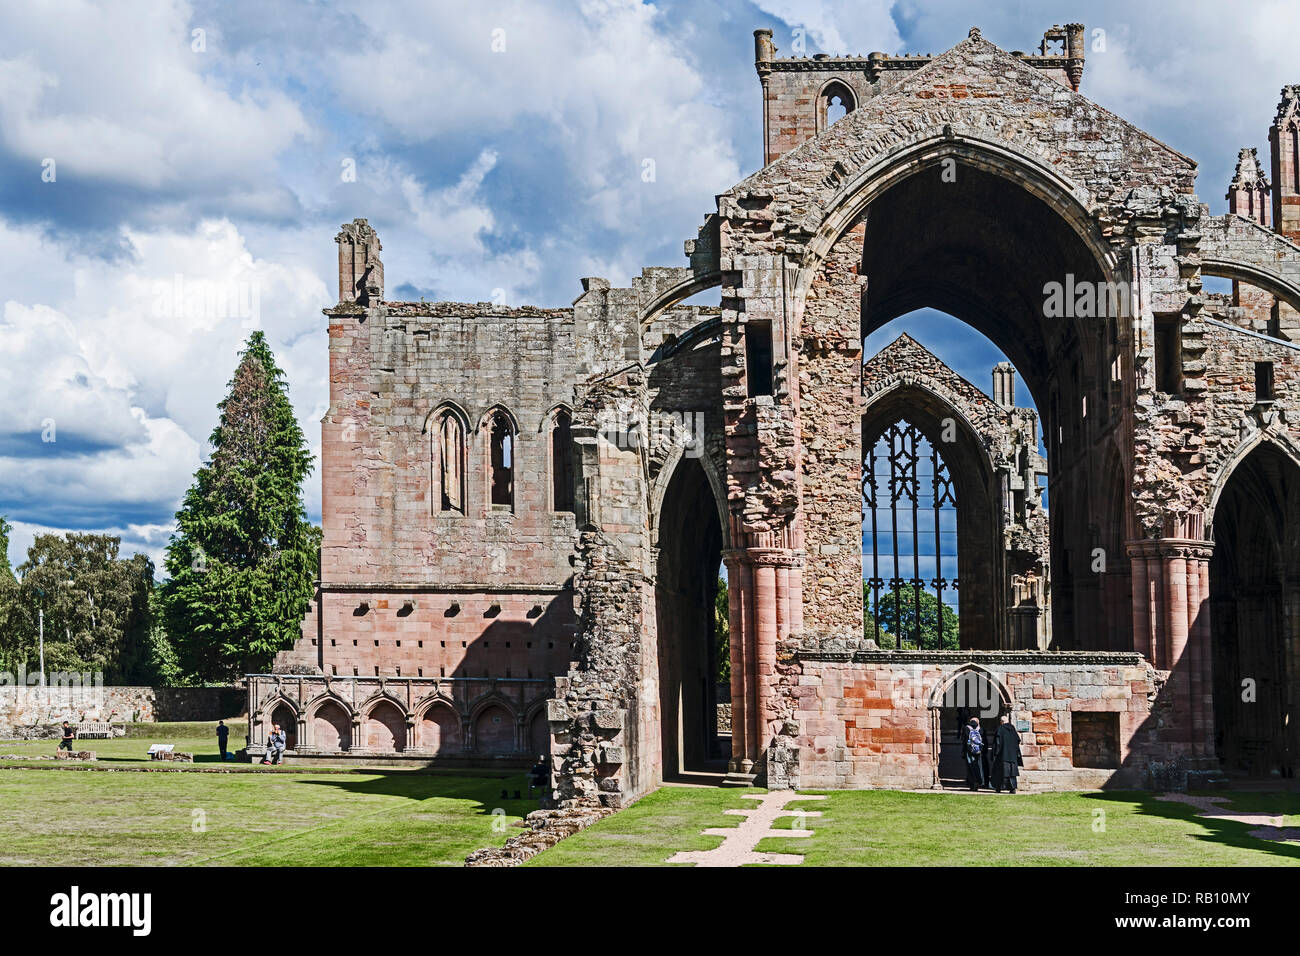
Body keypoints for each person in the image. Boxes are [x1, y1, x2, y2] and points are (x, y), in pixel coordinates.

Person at [991, 713, 1024, 793]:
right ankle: (1012, 789)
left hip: (1002, 755)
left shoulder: (1000, 729)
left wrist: (995, 753)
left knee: (1000, 772)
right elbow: (1017, 740)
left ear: (1001, 722)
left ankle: (999, 788)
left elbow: (997, 743)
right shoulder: (1012, 729)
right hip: (1012, 756)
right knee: (1012, 774)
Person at [961, 716, 985, 791]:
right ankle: (979, 781)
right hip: (978, 751)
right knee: (978, 766)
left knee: (970, 767)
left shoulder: (966, 728)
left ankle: (972, 783)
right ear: (978, 722)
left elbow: (963, 741)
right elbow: (984, 741)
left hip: (969, 751)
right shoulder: (981, 729)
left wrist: (963, 751)